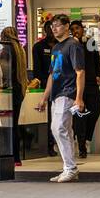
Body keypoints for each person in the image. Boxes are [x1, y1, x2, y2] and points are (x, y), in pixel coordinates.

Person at [35, 14, 84, 183]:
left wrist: (79, 97)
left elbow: (80, 72)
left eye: (57, 25)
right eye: (52, 26)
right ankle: (69, 168)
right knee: (64, 130)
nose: (54, 29)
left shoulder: (73, 45)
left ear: (67, 26)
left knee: (58, 128)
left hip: (67, 92)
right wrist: (44, 97)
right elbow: (52, 74)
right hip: (56, 93)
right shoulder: (56, 48)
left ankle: (70, 168)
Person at [70, 20, 100, 161]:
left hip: (91, 82)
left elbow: (96, 60)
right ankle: (82, 145)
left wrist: (98, 75)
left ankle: (86, 138)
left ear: (82, 29)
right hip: (76, 84)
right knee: (79, 116)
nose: (75, 31)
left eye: (77, 28)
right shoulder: (71, 44)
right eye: (72, 29)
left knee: (96, 109)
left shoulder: (90, 43)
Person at [0, 26, 27, 165]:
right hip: (19, 89)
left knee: (8, 125)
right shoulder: (20, 50)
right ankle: (17, 157)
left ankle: (11, 155)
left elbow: (3, 71)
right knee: (15, 123)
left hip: (8, 91)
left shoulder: (5, 50)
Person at [31, 20, 56, 155]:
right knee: (47, 117)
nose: (53, 31)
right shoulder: (38, 47)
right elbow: (37, 70)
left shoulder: (61, 45)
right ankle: (48, 145)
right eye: (50, 29)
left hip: (61, 85)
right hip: (46, 85)